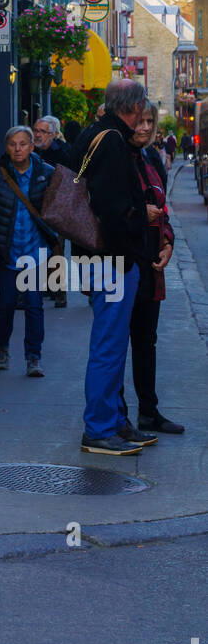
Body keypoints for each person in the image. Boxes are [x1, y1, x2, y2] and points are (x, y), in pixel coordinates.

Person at [68, 80, 157, 455]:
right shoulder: (112, 142)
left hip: (103, 259)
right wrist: (131, 250)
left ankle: (115, 421)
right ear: (134, 107)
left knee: (114, 344)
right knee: (108, 345)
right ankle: (99, 428)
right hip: (112, 261)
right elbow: (111, 209)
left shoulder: (99, 133)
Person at [0, 126, 57, 377]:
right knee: (6, 303)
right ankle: (1, 347)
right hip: (7, 250)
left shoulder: (46, 173)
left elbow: (59, 206)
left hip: (35, 251)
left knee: (34, 305)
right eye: (13, 144)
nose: (18, 148)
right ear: (6, 147)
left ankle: (34, 357)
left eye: (23, 143)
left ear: (32, 147)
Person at [121, 102, 182, 434]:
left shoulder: (151, 159)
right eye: (138, 121)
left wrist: (169, 241)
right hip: (122, 262)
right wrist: (136, 213)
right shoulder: (116, 157)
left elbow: (164, 209)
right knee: (117, 341)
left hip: (150, 264)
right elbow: (102, 209)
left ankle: (148, 411)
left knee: (146, 341)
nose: (143, 127)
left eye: (149, 121)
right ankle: (118, 415)